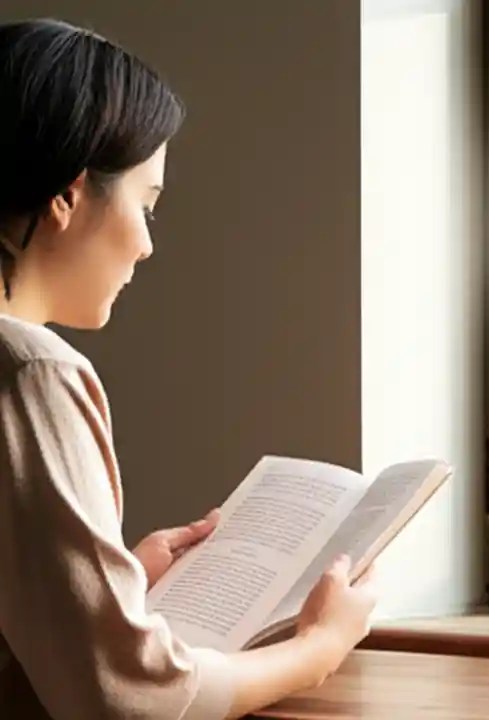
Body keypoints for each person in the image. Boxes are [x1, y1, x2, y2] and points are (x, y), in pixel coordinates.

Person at [0, 18, 378, 719]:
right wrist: (316, 650)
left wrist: (112, 587)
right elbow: (122, 700)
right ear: (68, 195)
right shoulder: (32, 376)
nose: (146, 245)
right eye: (146, 205)